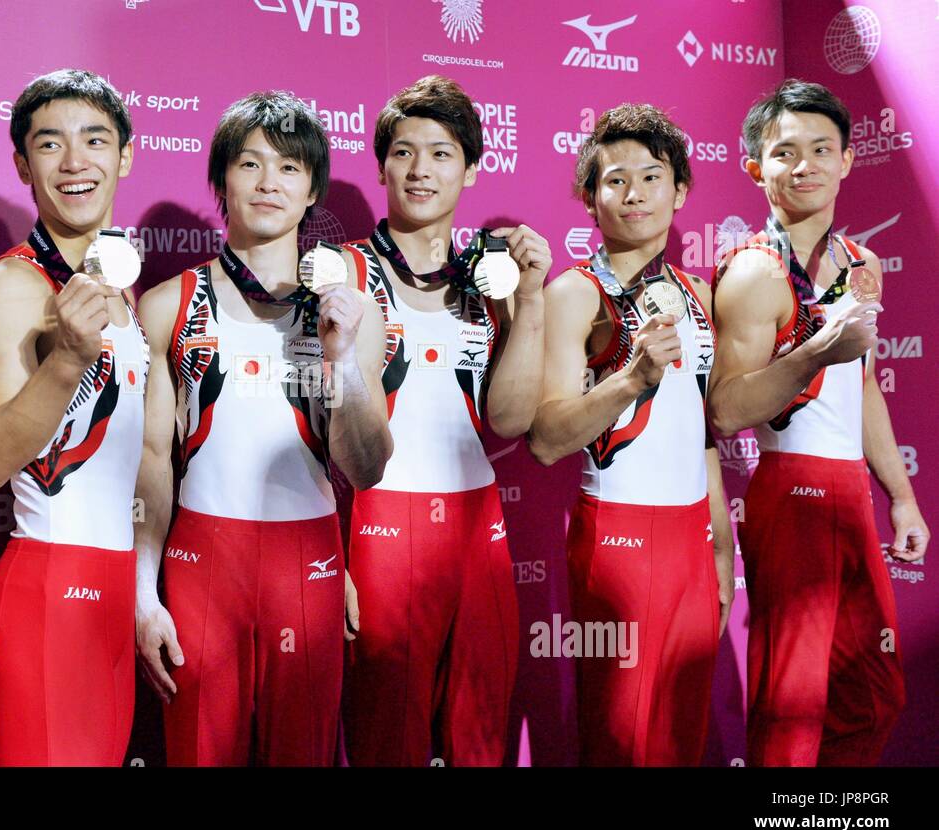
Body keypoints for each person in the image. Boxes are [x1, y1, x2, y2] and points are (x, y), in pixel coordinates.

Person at [133, 91, 391, 766]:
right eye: (250, 164)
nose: (269, 182)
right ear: (222, 181)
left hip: (305, 565)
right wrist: (141, 590)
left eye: (289, 167)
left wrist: (342, 361)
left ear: (313, 191)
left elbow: (367, 467)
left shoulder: (351, 311)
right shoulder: (168, 305)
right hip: (198, 566)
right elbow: (154, 461)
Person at [710, 79, 927, 766]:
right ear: (756, 167)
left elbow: (862, 388)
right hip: (791, 493)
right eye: (783, 152)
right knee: (791, 701)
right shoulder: (752, 273)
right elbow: (726, 409)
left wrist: (902, 497)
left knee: (873, 694)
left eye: (819, 149)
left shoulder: (861, 265)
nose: (802, 165)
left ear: (847, 161)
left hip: (850, 493)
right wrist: (812, 353)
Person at [338, 75, 548, 766]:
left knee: (480, 732)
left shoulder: (490, 278)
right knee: (385, 737)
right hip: (376, 525)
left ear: (472, 169)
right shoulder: (346, 272)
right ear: (380, 166)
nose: (421, 170)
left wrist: (535, 298)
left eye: (441, 153)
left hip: (476, 526)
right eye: (404, 152)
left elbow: (513, 419)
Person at [530, 104, 733, 766]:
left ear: (679, 192)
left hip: (693, 542)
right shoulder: (574, 293)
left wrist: (722, 549)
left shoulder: (699, 290)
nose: (635, 192)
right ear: (592, 198)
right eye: (616, 179)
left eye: (653, 176)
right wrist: (629, 378)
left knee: (681, 737)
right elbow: (547, 437)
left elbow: (702, 430)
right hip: (616, 537)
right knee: (620, 738)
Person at [0, 70, 144, 765]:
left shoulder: (124, 292)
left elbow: (143, 463)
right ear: (21, 164)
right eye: (50, 144)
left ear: (124, 157)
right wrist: (65, 358)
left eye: (95, 141)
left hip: (115, 586)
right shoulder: (11, 287)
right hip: (49, 590)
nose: (75, 163)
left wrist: (146, 594)